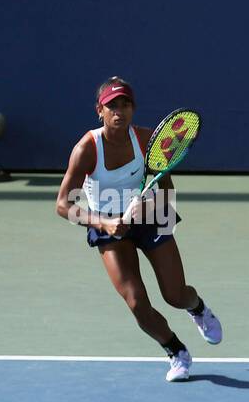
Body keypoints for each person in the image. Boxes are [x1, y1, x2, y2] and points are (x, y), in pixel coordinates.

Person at [54, 77, 220, 381]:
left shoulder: (146, 140)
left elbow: (166, 184)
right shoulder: (87, 149)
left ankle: (197, 307)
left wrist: (154, 209)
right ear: (99, 111)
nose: (120, 111)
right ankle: (176, 351)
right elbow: (63, 205)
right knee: (136, 303)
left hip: (149, 218)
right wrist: (103, 222)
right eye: (112, 105)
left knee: (175, 295)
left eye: (125, 104)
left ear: (133, 108)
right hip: (106, 223)